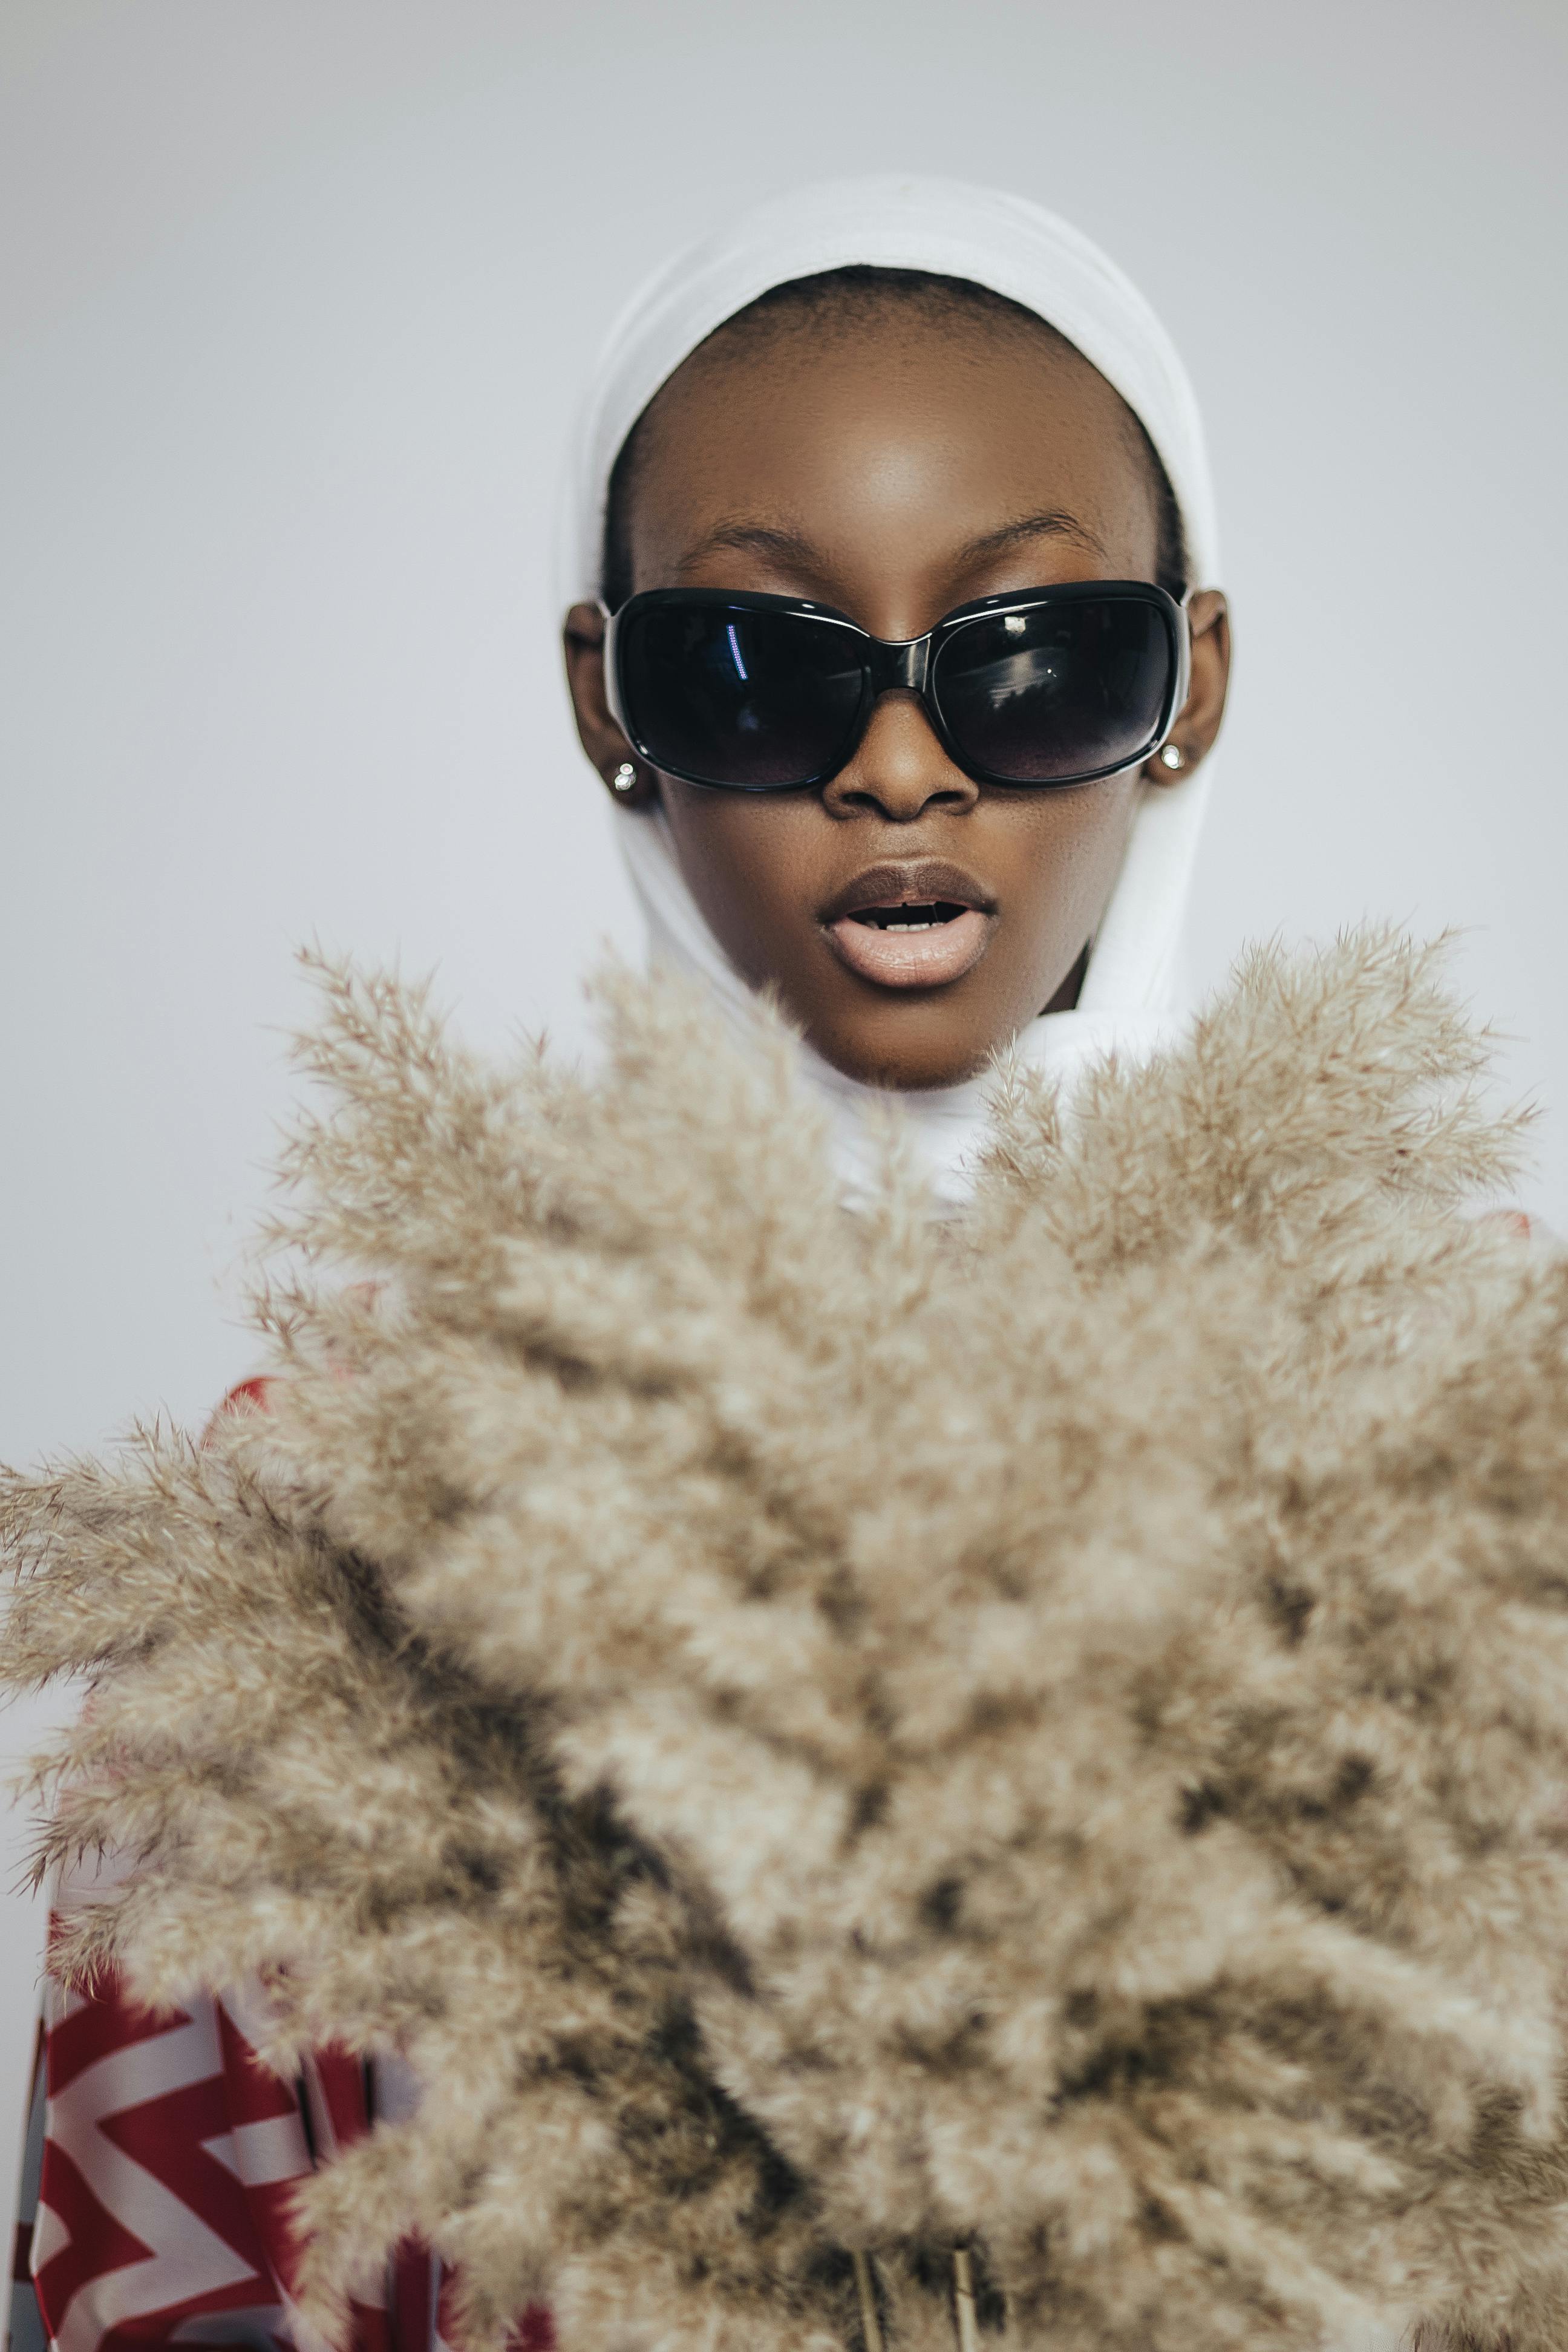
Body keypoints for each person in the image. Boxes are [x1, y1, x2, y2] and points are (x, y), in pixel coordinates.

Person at [8, 176, 1230, 2352]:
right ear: (609, 700)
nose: (899, 764)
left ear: (1191, 683)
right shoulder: (332, 1505)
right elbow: (160, 2266)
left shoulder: (1472, 1411)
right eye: (756, 667)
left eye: (1034, 657)